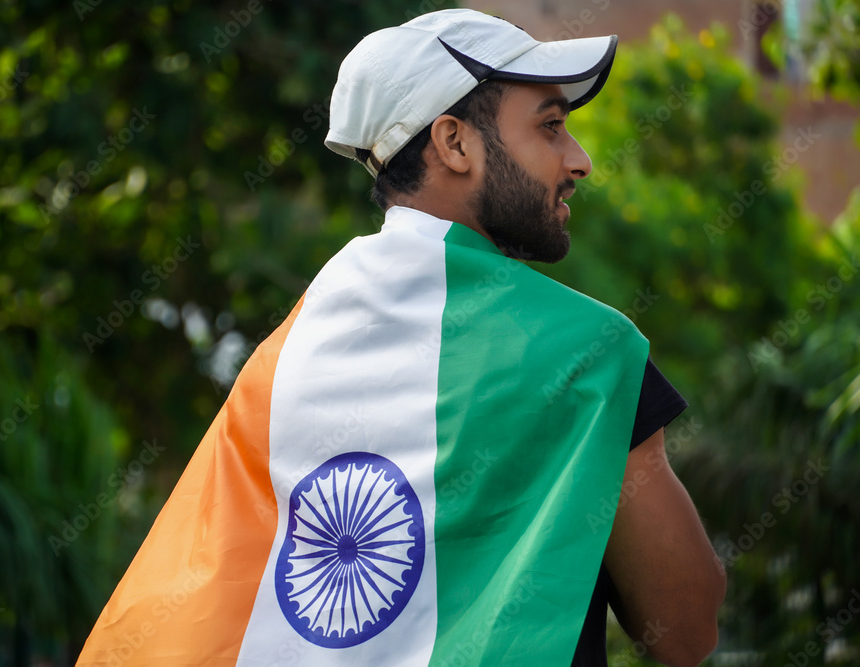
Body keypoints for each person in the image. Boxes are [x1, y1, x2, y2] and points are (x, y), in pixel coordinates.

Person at [77, 9, 726, 666]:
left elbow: (201, 597)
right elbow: (686, 630)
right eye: (550, 127)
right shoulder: (588, 352)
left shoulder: (277, 363)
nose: (579, 160)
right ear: (454, 142)